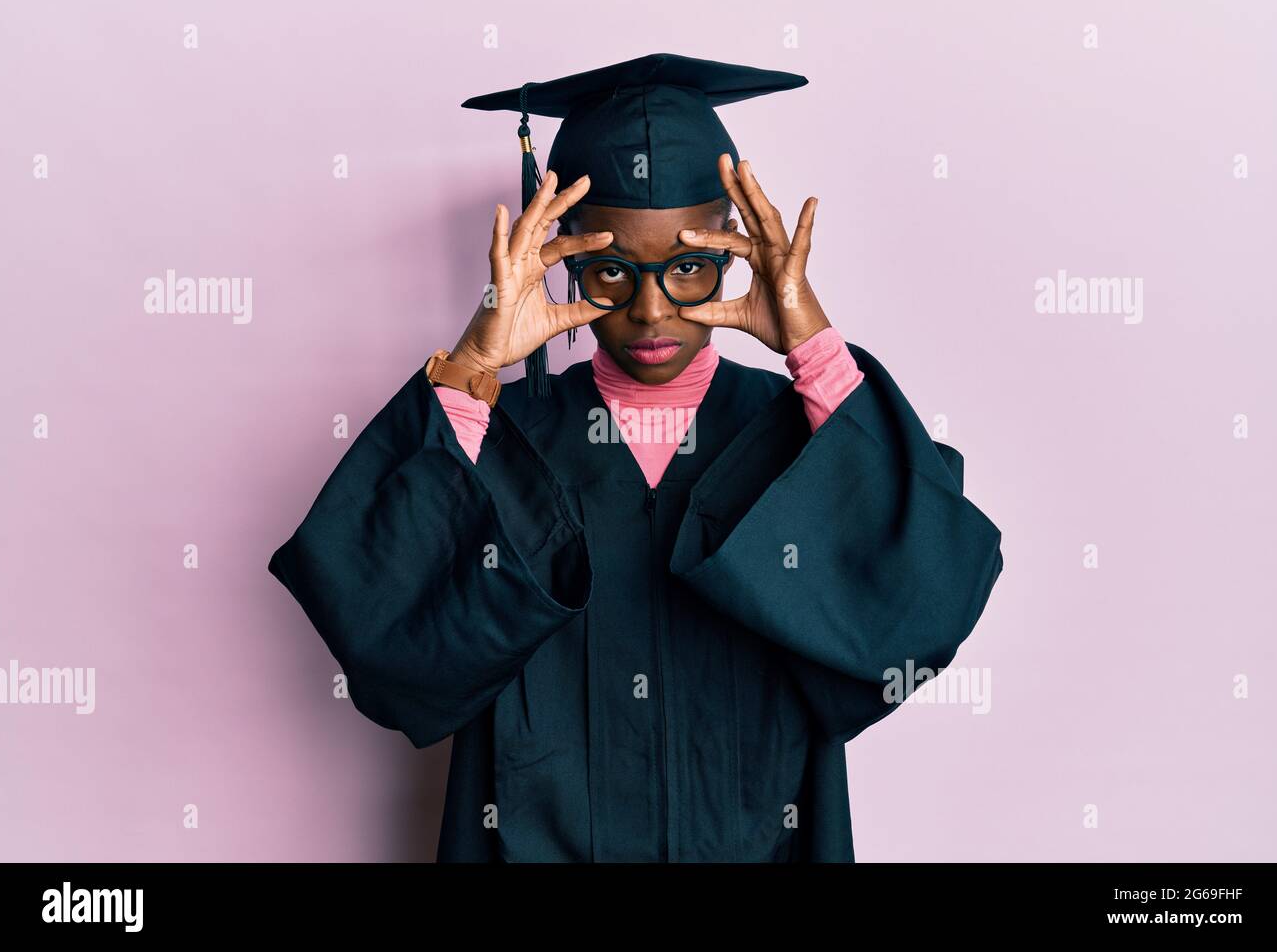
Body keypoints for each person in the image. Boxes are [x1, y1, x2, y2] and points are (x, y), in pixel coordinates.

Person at [267, 54, 1004, 862]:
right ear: (564, 262)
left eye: (689, 267)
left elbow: (927, 595)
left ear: (733, 252)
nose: (652, 309)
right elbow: (373, 621)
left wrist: (814, 347)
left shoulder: (796, 430)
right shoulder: (504, 431)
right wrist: (477, 362)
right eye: (612, 270)